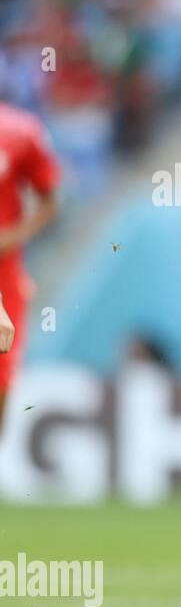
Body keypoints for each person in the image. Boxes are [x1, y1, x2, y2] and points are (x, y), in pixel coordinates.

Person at [0, 103, 61, 430]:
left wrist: (12, 236)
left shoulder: (21, 131)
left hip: (5, 277)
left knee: (3, 370)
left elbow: (50, 201)